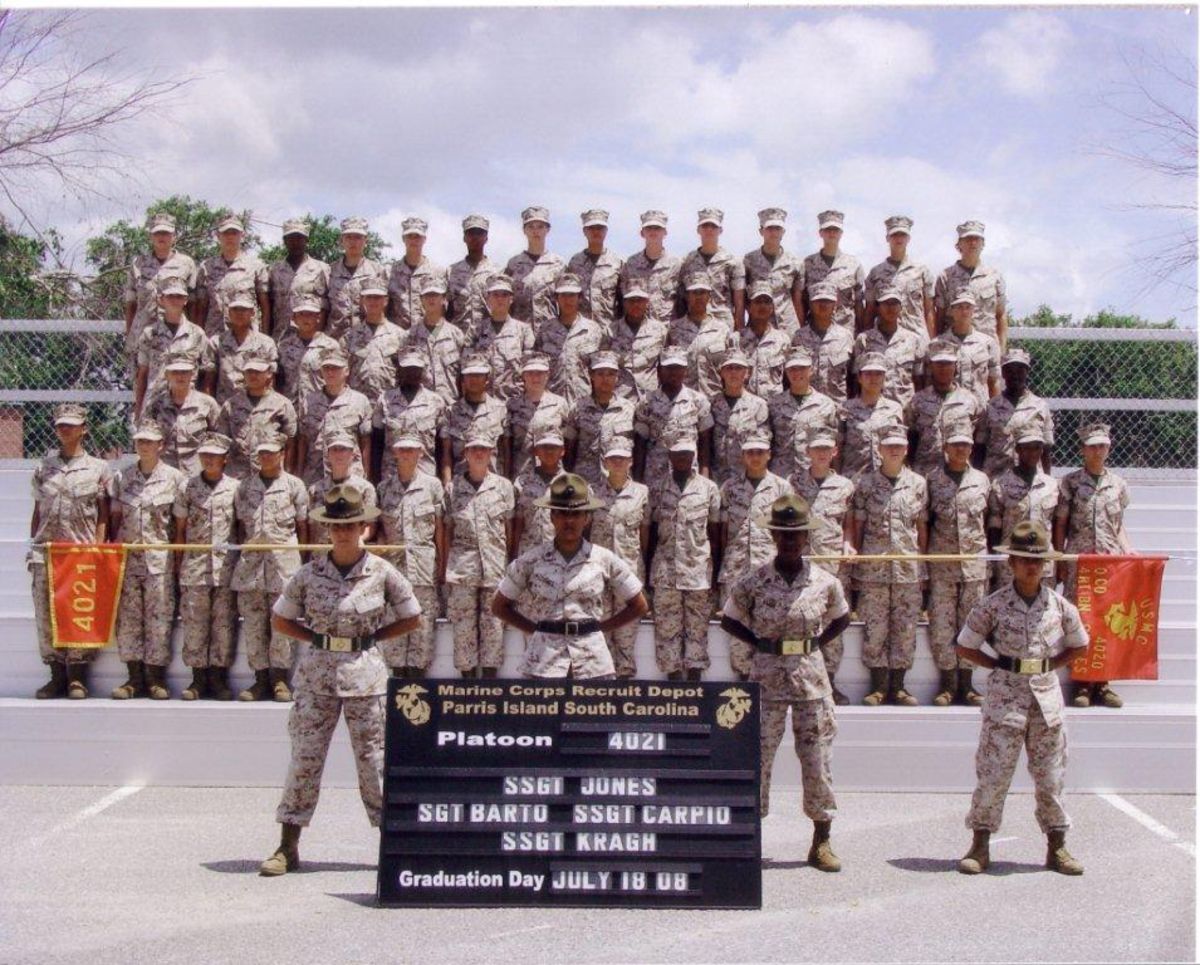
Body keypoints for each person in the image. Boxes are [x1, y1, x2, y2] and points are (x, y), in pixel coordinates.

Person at [259, 485, 422, 877]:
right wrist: (314, 638)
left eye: (350, 525)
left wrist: (374, 639)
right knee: (305, 759)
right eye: (336, 526)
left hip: (365, 677)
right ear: (327, 529)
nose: (343, 532)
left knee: (376, 764)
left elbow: (412, 616)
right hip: (317, 677)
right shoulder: (309, 573)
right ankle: (287, 846)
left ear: (363, 526)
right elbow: (280, 619)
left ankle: (391, 846)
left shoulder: (382, 572)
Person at [720, 493, 850, 872]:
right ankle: (749, 838)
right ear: (774, 537)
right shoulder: (755, 581)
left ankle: (821, 841)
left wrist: (815, 645)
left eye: (797, 536)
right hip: (766, 678)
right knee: (757, 759)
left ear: (807, 538)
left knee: (817, 760)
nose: (790, 541)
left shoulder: (825, 581)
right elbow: (729, 618)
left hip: (811, 680)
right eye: (784, 535)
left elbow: (842, 618)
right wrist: (758, 643)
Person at [955, 520, 1088, 876]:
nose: (1032, 566)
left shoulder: (1060, 606)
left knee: (1050, 778)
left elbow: (1080, 645)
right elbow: (964, 645)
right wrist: (999, 664)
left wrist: (1049, 665)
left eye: (1038, 560)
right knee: (993, 775)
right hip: (1005, 700)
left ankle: (1057, 847)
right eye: (1024, 559)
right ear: (1010, 563)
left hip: (1045, 702)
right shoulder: (992, 606)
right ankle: (980, 846)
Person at [493, 473, 648, 679]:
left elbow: (639, 605)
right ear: (552, 517)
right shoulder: (531, 560)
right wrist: (536, 630)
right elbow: (499, 606)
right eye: (562, 514)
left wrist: (599, 629)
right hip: (543, 664)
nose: (569, 520)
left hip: (592, 664)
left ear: (587, 518)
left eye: (576, 514)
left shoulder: (604, 559)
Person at [29, 404, 112, 700]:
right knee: (46, 614)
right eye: (60, 425)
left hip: (80, 550)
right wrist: (32, 545)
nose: (64, 430)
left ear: (84, 429)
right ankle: (56, 675)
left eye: (71, 425)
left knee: (78, 612)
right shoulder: (44, 467)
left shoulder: (99, 468)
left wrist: (99, 548)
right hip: (48, 551)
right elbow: (38, 509)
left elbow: (104, 513)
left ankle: (77, 676)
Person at [1054, 422, 1133, 709]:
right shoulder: (1071, 483)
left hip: (1109, 562)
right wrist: (1061, 558)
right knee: (1080, 621)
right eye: (1092, 446)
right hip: (1080, 562)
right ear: (1082, 450)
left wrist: (1128, 552)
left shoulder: (1118, 485)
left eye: (1102, 446)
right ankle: (1081, 683)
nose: (1098, 451)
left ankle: (1103, 682)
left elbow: (1119, 526)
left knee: (1107, 622)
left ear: (1109, 448)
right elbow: (1061, 523)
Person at [109, 420, 187, 700]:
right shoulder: (122, 478)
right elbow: (114, 519)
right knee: (128, 620)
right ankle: (133, 679)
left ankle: (155, 678)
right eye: (140, 441)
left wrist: (177, 560)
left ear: (161, 445)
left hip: (159, 560)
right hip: (128, 559)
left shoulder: (175, 479)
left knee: (159, 619)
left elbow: (179, 526)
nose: (143, 445)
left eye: (149, 441)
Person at [850, 423, 928, 706]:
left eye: (899, 445)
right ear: (879, 450)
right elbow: (858, 525)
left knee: (905, 628)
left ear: (906, 449)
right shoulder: (866, 484)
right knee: (875, 628)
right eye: (889, 446)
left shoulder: (918, 484)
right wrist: (857, 559)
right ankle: (878, 686)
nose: (894, 450)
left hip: (907, 568)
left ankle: (899, 686)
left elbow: (921, 528)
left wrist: (924, 566)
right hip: (874, 568)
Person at [232, 432, 309, 702]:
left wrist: (304, 564)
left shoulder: (294, 486)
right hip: (252, 567)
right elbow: (242, 526)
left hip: (283, 566)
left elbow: (303, 527)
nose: (265, 457)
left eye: (271, 452)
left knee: (282, 625)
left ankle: (279, 679)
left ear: (282, 454)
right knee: (254, 625)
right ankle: (260, 680)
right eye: (261, 453)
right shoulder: (244, 487)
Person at [789, 426, 856, 705]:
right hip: (800, 564)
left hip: (831, 566)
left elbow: (849, 521)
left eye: (826, 449)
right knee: (797, 622)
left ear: (835, 452)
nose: (821, 454)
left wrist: (849, 543)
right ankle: (797, 682)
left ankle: (828, 681)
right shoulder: (792, 484)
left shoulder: (845, 486)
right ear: (807, 452)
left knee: (831, 624)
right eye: (816, 449)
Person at [926, 425, 990, 707]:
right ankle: (948, 684)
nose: (960, 449)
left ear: (971, 448)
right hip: (943, 564)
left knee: (971, 624)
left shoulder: (982, 481)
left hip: (974, 565)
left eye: (965, 445)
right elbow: (924, 523)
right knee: (942, 624)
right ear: (945, 448)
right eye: (955, 445)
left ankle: (967, 683)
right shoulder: (933, 481)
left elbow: (990, 523)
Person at [649, 433, 721, 681]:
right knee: (667, 628)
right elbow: (651, 532)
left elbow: (714, 533)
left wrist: (716, 572)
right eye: (678, 454)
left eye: (687, 454)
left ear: (694, 456)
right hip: (665, 570)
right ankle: (673, 681)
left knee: (697, 627)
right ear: (669, 456)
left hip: (698, 570)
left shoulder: (709, 489)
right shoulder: (658, 488)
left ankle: (694, 679)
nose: (682, 458)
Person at [718, 435, 792, 678]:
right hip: (737, 567)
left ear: (769, 455)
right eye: (750, 452)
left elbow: (790, 531)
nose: (755, 457)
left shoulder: (782, 488)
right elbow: (720, 530)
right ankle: (742, 681)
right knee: (737, 625)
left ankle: (768, 678)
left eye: (760, 452)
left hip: (769, 568)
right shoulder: (729, 488)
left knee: (769, 623)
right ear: (742, 456)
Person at [173, 431, 240, 701]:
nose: (209, 460)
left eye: (215, 455)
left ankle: (219, 679)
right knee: (195, 623)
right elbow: (180, 529)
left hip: (225, 566)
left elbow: (241, 528)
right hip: (195, 566)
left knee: (224, 623)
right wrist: (180, 564)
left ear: (225, 459)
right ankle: (198, 679)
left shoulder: (236, 488)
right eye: (205, 455)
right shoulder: (187, 488)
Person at [444, 430, 515, 678]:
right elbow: (447, 530)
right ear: (465, 454)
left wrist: (509, 561)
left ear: (491, 453)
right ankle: (467, 686)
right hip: (462, 568)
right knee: (463, 626)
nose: (478, 453)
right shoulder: (453, 489)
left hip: (495, 566)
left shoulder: (504, 487)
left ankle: (489, 685)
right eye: (473, 449)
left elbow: (509, 528)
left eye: (484, 449)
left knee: (494, 624)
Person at [375, 435, 446, 678]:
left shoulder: (432, 486)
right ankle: (397, 672)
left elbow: (440, 529)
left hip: (423, 564)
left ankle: (417, 674)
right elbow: (380, 531)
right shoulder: (384, 488)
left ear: (420, 453)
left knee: (422, 621)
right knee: (394, 618)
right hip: (394, 565)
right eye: (402, 450)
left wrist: (442, 564)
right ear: (394, 453)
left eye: (411, 450)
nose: (406, 454)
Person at [588, 443, 651, 678]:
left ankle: (624, 692)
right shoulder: (592, 493)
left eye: (622, 459)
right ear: (604, 462)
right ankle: (600, 691)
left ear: (631, 461)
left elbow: (644, 535)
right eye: (613, 459)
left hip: (629, 572)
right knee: (599, 633)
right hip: (598, 573)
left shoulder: (642, 492)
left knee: (626, 635)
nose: (617, 463)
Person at [123, 211, 198, 369]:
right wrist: (130, 336)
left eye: (166, 232)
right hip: (143, 337)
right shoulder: (138, 264)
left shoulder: (186, 264)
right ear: (151, 236)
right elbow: (131, 304)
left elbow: (192, 304)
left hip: (175, 337)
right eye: (157, 233)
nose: (161, 237)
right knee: (141, 386)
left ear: (174, 236)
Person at [987, 429, 1059, 592]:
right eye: (1026, 447)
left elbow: (1057, 523)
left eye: (1036, 447)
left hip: (1043, 562)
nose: (1032, 452)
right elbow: (994, 526)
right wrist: (994, 561)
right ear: (1017, 450)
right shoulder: (1001, 484)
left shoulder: (1052, 485)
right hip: (1011, 563)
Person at [633, 348, 714, 491]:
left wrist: (705, 476)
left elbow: (705, 444)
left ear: (686, 370)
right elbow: (640, 446)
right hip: (655, 480)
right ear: (659, 371)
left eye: (678, 368)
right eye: (669, 368)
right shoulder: (646, 403)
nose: (673, 373)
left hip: (690, 479)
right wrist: (637, 483)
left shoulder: (698, 401)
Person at [133, 276, 213, 418]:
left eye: (179, 296)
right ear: (161, 300)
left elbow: (206, 374)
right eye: (170, 296)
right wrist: (139, 409)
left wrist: (205, 407)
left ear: (186, 300)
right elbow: (142, 374)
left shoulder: (197, 334)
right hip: (155, 406)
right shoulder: (150, 334)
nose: (175, 300)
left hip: (187, 406)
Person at [906, 339, 985, 477]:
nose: (943, 368)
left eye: (948, 363)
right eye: (938, 364)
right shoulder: (917, 401)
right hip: (924, 473)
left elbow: (979, 440)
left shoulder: (970, 401)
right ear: (930, 367)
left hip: (959, 474)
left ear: (956, 366)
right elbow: (911, 438)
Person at [296, 348, 372, 486]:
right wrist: (300, 473)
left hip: (350, 473)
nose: (330, 372)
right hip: (315, 474)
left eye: (336, 368)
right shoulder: (309, 401)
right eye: (326, 368)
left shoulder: (360, 401)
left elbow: (365, 441)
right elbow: (303, 439)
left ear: (346, 371)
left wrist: (366, 473)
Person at [216, 355, 298, 479]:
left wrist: (287, 472)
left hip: (270, 474)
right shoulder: (230, 405)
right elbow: (222, 442)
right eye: (249, 371)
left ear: (269, 374)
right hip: (236, 474)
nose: (253, 375)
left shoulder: (282, 404)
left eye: (258, 372)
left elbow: (290, 442)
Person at [372, 349, 448, 483]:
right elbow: (377, 443)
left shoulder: (436, 402)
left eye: (416, 369)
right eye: (407, 368)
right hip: (391, 479)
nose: (412, 373)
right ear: (399, 370)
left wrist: (442, 479)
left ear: (423, 370)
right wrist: (376, 479)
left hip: (426, 476)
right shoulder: (384, 400)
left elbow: (441, 447)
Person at [562, 351, 636, 488]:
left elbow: (636, 450)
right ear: (591, 375)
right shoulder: (578, 408)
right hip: (585, 482)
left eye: (610, 374)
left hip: (618, 483)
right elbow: (569, 449)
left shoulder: (629, 409)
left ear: (617, 377)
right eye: (600, 373)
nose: (605, 379)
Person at [978, 347, 1054, 478]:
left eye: (1020, 370)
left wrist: (1048, 483)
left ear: (1027, 372)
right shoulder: (990, 407)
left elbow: (1046, 450)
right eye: (1010, 370)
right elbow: (979, 449)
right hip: (996, 477)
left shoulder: (1040, 406)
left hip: (1030, 480)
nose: (1015, 375)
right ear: (1003, 373)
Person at [536, 272, 608, 407]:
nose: (567, 300)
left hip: (584, 403)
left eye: (572, 295)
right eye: (563, 295)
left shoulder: (594, 330)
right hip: (551, 404)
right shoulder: (545, 330)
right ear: (556, 298)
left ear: (580, 298)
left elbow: (601, 370)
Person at [766, 348, 838, 481]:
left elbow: (832, 444)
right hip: (781, 476)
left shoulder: (825, 405)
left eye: (802, 368)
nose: (797, 373)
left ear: (811, 370)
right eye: (792, 369)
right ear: (786, 371)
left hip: (813, 476)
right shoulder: (774, 405)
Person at [193, 214, 270, 337]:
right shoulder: (206, 267)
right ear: (218, 236)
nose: (230, 237)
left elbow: (265, 308)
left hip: (247, 340)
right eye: (225, 233)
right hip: (214, 338)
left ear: (242, 236)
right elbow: (201, 309)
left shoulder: (256, 266)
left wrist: (265, 339)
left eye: (234, 233)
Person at [147, 352, 221, 477]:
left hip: (198, 474)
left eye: (185, 372)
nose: (180, 376)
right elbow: (147, 440)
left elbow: (219, 439)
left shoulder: (207, 404)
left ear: (193, 374)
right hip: (165, 473)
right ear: (167, 375)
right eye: (175, 372)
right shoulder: (156, 405)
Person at [863, 216, 935, 345]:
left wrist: (933, 343)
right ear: (887, 238)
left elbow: (929, 310)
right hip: (886, 341)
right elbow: (870, 310)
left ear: (908, 238)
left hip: (917, 338)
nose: (899, 238)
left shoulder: (921, 272)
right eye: (895, 235)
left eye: (902, 235)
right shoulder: (876, 273)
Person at [935, 220, 1007, 346]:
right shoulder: (946, 277)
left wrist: (1001, 350)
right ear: (959, 245)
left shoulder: (994, 277)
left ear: (983, 244)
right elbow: (939, 317)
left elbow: (1000, 316)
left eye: (977, 239)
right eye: (968, 239)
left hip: (986, 349)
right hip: (952, 349)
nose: (973, 243)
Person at [852, 285, 924, 410]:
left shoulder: (913, 340)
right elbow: (855, 380)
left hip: (904, 410)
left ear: (901, 307)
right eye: (885, 304)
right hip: (871, 412)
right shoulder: (863, 340)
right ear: (878, 307)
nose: (890, 308)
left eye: (894, 303)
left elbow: (919, 380)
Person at [439, 353, 509, 481]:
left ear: (487, 379)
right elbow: (446, 455)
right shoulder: (451, 412)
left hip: (493, 485)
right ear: (463, 380)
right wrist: (447, 483)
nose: (473, 379)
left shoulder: (500, 410)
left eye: (478, 375)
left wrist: (506, 483)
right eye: (469, 375)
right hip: (460, 486)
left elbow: (506, 453)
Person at [836, 354, 906, 479]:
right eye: (868, 373)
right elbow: (838, 448)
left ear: (885, 377)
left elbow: (901, 447)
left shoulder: (895, 409)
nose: (873, 378)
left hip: (884, 481)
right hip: (853, 479)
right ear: (859, 377)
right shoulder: (845, 409)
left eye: (878, 374)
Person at [340, 275, 405, 408]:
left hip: (390, 404)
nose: (373, 301)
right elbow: (342, 375)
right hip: (357, 405)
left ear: (386, 300)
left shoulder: (400, 336)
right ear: (362, 300)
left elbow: (404, 374)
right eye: (369, 297)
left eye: (377, 297)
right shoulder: (349, 337)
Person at [403, 274, 468, 405]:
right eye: (427, 295)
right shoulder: (409, 336)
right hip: (420, 407)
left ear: (444, 299)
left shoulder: (456, 335)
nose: (431, 299)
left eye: (436, 295)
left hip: (450, 406)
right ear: (421, 300)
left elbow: (465, 376)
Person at [669, 272, 734, 399]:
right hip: (683, 401)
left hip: (715, 400)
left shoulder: (722, 329)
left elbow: (731, 368)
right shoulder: (674, 330)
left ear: (709, 296)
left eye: (702, 292)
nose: (698, 297)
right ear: (687, 296)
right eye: (694, 292)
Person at [710, 350, 770, 487]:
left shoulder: (758, 405)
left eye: (738, 368)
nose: (733, 372)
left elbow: (764, 446)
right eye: (729, 368)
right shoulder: (712, 404)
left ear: (747, 373)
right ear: (721, 373)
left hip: (747, 478)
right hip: (718, 478)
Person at [471, 273, 535, 403]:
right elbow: (467, 368)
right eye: (495, 295)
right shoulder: (476, 330)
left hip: (514, 402)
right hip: (484, 403)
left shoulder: (524, 330)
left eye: (504, 295)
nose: (500, 299)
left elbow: (530, 370)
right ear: (488, 299)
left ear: (511, 299)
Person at [742, 207, 805, 338]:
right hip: (759, 328)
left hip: (788, 327)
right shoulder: (748, 262)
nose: (774, 232)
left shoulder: (795, 263)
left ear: (783, 232)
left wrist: (801, 330)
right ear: (761, 231)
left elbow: (797, 300)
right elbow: (742, 299)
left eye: (777, 229)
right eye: (769, 228)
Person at [505, 352, 569, 480]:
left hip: (554, 476)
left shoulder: (560, 404)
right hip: (522, 476)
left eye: (540, 373)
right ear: (523, 376)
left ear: (547, 375)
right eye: (530, 373)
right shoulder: (512, 405)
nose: (535, 378)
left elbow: (568, 441)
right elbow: (507, 446)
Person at [679, 208, 745, 330]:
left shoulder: (733, 262)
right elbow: (681, 299)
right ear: (698, 230)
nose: (709, 229)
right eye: (705, 226)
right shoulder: (686, 262)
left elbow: (739, 303)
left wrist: (740, 331)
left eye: (713, 226)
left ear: (720, 230)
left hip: (723, 326)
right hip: (693, 326)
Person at [307, 433, 378, 546]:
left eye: (343, 449)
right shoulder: (315, 490)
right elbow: (311, 529)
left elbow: (371, 525)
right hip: (321, 554)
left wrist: (360, 539)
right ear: (328, 454)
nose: (338, 454)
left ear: (352, 454)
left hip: (351, 550)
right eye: (334, 449)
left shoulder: (365, 488)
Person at [266, 218, 330, 340]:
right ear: (284, 241)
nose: (295, 242)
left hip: (312, 339)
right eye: (291, 238)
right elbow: (268, 307)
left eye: (299, 238)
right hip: (281, 339)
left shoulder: (322, 269)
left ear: (307, 240)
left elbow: (327, 306)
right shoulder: (273, 270)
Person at [210, 291, 278, 405]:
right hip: (225, 408)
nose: (239, 313)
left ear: (252, 313)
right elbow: (209, 381)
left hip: (257, 408)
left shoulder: (266, 343)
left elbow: (270, 381)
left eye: (244, 310)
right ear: (229, 313)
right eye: (235, 309)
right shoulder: (217, 342)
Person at [802, 210, 864, 332]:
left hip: (846, 332)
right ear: (820, 233)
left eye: (835, 230)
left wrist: (861, 330)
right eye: (827, 229)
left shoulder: (853, 264)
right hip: (815, 334)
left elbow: (859, 302)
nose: (831, 233)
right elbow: (803, 301)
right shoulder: (808, 264)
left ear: (841, 233)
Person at [505, 206, 565, 331]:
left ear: (548, 230)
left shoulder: (559, 264)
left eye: (540, 227)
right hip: (520, 333)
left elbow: (569, 303)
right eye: (531, 227)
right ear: (524, 230)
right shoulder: (513, 265)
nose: (535, 231)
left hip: (550, 333)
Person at [792, 281, 853, 404]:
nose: (823, 305)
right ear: (810, 304)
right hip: (807, 408)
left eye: (827, 301)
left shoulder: (845, 337)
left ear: (835, 304)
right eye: (818, 301)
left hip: (838, 408)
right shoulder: (799, 337)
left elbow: (854, 378)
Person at [326, 216, 385, 340]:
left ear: (365, 240)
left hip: (368, 340)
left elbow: (385, 309)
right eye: (348, 237)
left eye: (358, 237)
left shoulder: (378, 271)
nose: (353, 242)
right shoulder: (328, 272)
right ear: (342, 240)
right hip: (335, 341)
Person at [608, 284, 670, 402]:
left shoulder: (660, 330)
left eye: (640, 300)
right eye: (631, 301)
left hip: (651, 398)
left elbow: (665, 366)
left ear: (647, 302)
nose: (636, 304)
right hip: (620, 398)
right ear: (624, 302)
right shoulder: (610, 331)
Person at [619, 210, 683, 323]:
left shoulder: (676, 265)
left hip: (667, 331)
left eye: (657, 228)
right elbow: (622, 300)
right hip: (638, 332)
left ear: (665, 232)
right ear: (642, 233)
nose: (653, 231)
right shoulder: (631, 264)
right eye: (649, 228)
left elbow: (684, 302)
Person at [276, 295, 338, 407]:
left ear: (318, 317)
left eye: (310, 314)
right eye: (301, 314)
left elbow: (337, 382)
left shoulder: (330, 347)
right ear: (293, 318)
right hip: (289, 407)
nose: (306, 319)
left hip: (318, 409)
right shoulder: (283, 346)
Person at [566, 209, 623, 331]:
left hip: (608, 331)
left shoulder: (617, 263)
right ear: (584, 231)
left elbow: (623, 302)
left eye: (600, 228)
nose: (596, 232)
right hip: (580, 331)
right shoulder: (574, 263)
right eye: (591, 228)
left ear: (606, 231)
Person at [942, 291, 1000, 406]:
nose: (964, 312)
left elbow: (994, 381)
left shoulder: (987, 343)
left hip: (980, 409)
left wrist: (996, 411)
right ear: (951, 311)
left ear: (973, 311)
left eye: (968, 307)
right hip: (950, 408)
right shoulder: (940, 344)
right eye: (959, 307)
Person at [512, 432, 566, 557]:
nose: (549, 451)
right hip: (528, 552)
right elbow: (517, 522)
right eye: (544, 447)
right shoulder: (522, 483)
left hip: (559, 555)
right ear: (536, 451)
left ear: (562, 451)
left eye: (554, 448)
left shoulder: (571, 484)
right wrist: (513, 555)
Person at [388, 217, 443, 330]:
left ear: (424, 239)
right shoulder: (389, 272)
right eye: (409, 236)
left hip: (428, 337)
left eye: (417, 236)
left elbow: (445, 310)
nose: (413, 240)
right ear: (403, 239)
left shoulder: (438, 272)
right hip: (398, 339)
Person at [738, 280, 791, 400]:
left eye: (767, 302)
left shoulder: (783, 340)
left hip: (775, 407)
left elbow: (789, 380)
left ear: (772, 308)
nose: (762, 306)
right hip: (746, 409)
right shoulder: (736, 340)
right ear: (748, 307)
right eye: (757, 302)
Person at [446, 214, 494, 334]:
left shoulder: (497, 272)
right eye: (471, 233)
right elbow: (443, 311)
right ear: (464, 238)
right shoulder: (451, 272)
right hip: (458, 338)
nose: (475, 237)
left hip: (487, 339)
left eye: (480, 233)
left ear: (486, 238)